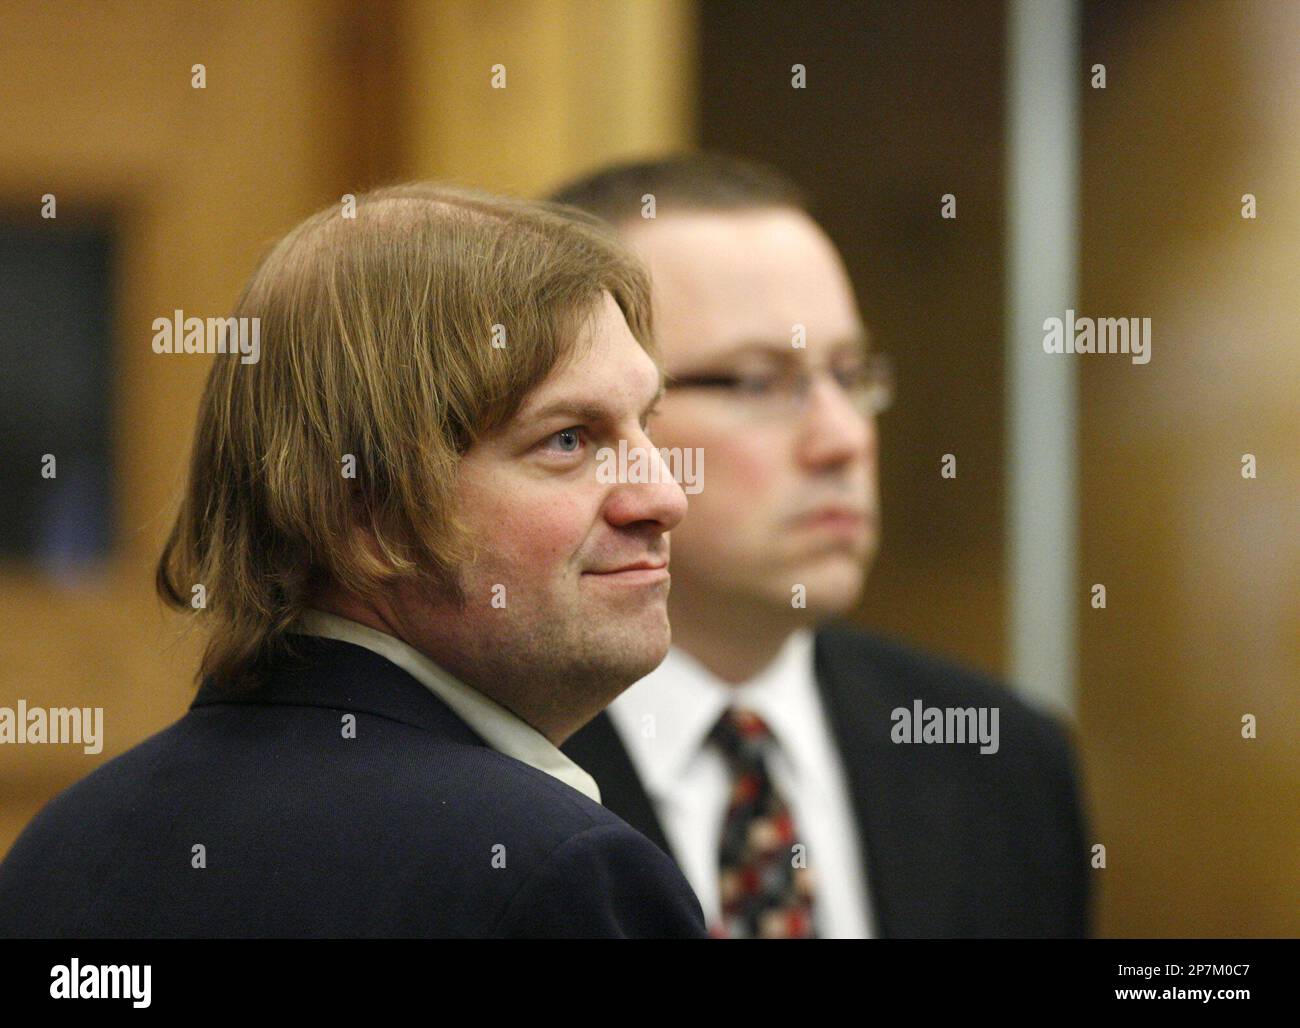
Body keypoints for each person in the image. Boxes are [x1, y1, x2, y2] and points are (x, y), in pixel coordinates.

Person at [0, 182, 707, 939]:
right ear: (366, 513)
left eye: (647, 427)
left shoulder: (61, 850)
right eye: (569, 440)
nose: (663, 496)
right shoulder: (552, 874)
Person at [550, 154, 1092, 939]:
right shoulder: (488, 771)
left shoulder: (999, 756)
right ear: (593, 421)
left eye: (849, 373)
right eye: (758, 381)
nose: (842, 439)